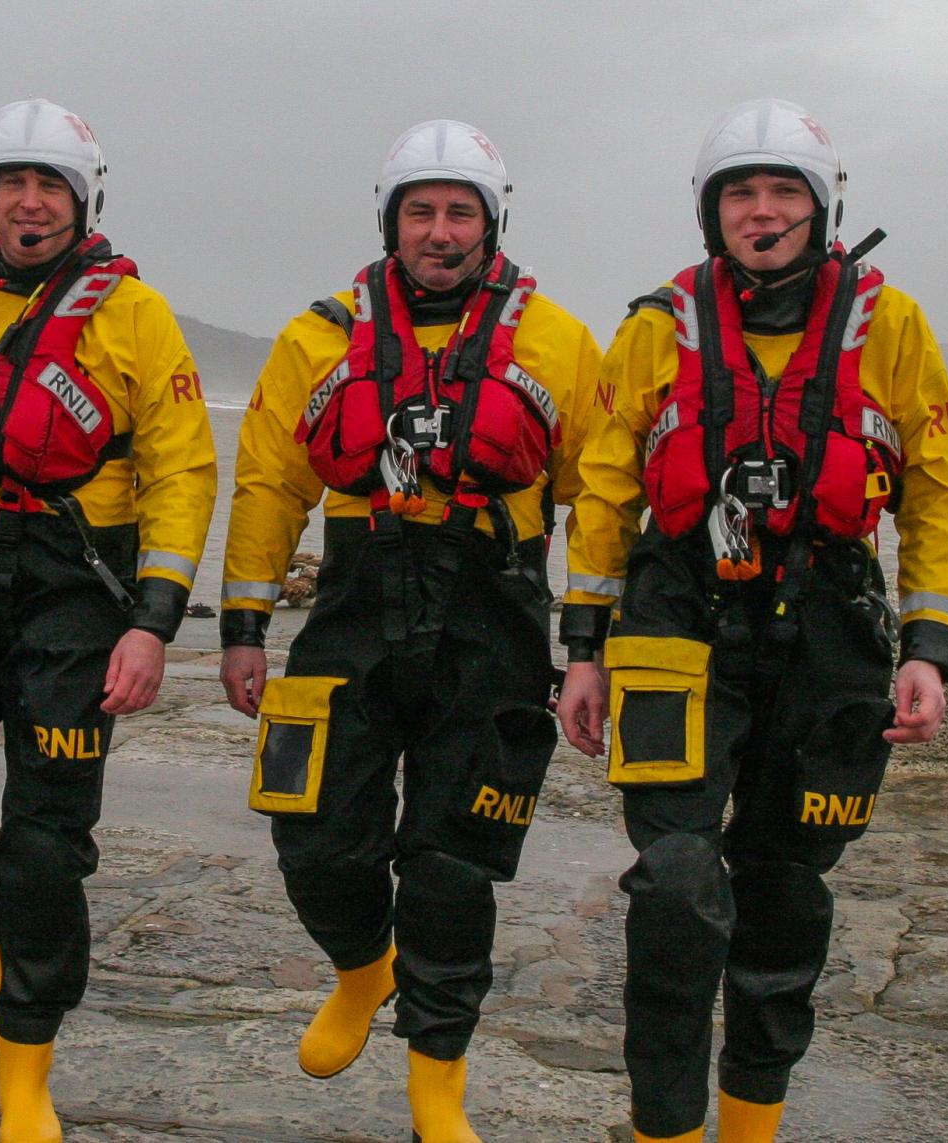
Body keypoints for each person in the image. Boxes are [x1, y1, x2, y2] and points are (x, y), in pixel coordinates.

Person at [556, 99, 948, 1143]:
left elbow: (940, 491)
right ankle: (661, 1125)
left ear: (821, 205)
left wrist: (928, 649)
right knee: (676, 885)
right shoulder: (656, 325)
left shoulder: (896, 325)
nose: (760, 211)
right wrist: (580, 653)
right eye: (738, 193)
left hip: (828, 630)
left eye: (781, 191)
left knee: (784, 897)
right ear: (711, 213)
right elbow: (606, 491)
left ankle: (749, 1125)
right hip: (672, 623)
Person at [219, 119, 601, 1141]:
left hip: (495, 619)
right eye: (420, 211)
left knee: (451, 869)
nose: (440, 232)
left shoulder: (560, 342)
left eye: (459, 212)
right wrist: (244, 623)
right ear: (391, 220)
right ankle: (359, 969)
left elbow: (602, 502)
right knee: (312, 842)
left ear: (492, 221)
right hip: (349, 611)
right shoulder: (316, 337)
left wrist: (587, 652)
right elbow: (267, 482)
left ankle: (437, 1084)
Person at [0, 99, 216, 1142]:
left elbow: (184, 470)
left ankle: (26, 1070)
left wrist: (153, 621)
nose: (28, 202)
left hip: (74, 591)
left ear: (81, 199)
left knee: (45, 850)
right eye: (11, 184)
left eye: (48, 185)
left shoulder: (133, 314)